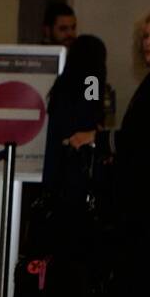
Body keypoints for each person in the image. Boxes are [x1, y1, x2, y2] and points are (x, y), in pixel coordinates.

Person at [68, 10, 150, 297]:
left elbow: (146, 138)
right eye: (145, 36)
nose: (148, 42)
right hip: (147, 191)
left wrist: (100, 140)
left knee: (149, 269)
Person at [42, 34, 107, 198]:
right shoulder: (92, 78)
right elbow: (91, 110)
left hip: (57, 162)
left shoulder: (64, 81)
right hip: (79, 161)